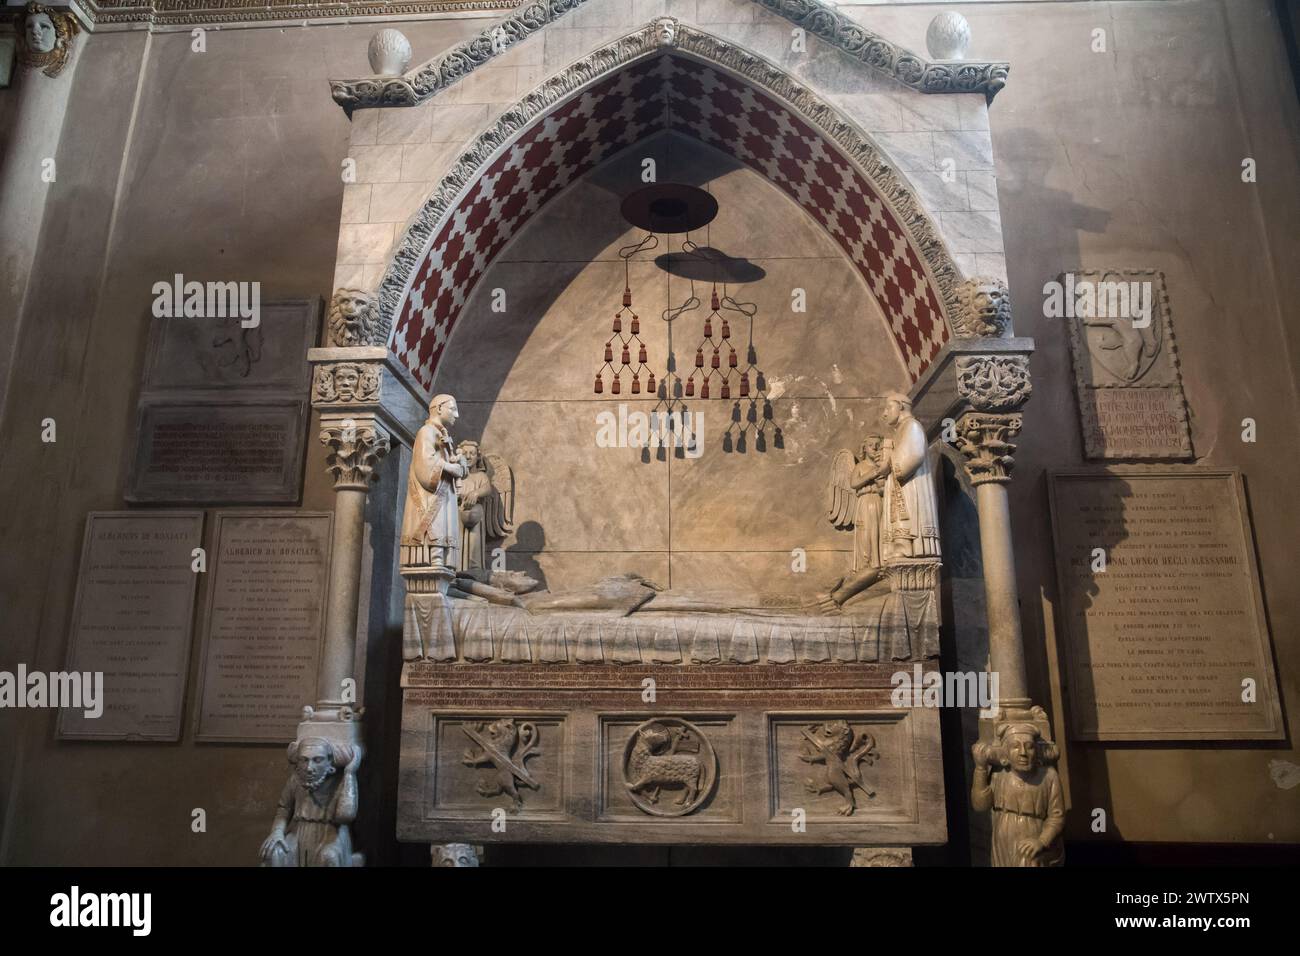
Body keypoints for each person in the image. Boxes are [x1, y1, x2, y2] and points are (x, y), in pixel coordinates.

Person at [400, 394, 469, 584]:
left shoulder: (442, 435)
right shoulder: (427, 432)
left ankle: (442, 557)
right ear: (439, 408)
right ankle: (433, 554)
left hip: (444, 497)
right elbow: (425, 464)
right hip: (431, 497)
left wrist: (459, 464)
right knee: (434, 530)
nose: (457, 414)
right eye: (452, 408)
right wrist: (449, 467)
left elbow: (450, 466)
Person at [880, 393, 940, 560]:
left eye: (888, 407)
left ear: (900, 406)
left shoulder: (911, 426)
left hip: (909, 483)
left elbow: (914, 455)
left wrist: (890, 461)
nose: (884, 413)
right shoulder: (900, 430)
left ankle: (906, 545)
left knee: (906, 513)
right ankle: (901, 542)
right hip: (900, 483)